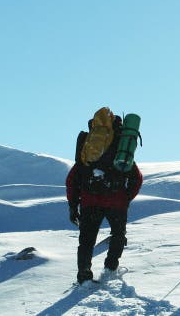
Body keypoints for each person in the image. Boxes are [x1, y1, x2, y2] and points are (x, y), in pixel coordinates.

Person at [66, 108, 143, 284]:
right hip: (117, 202)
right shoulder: (122, 148)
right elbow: (137, 178)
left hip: (89, 201)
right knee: (118, 235)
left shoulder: (89, 147)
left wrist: (73, 204)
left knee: (86, 240)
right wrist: (126, 197)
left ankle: (84, 274)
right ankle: (110, 268)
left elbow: (72, 179)